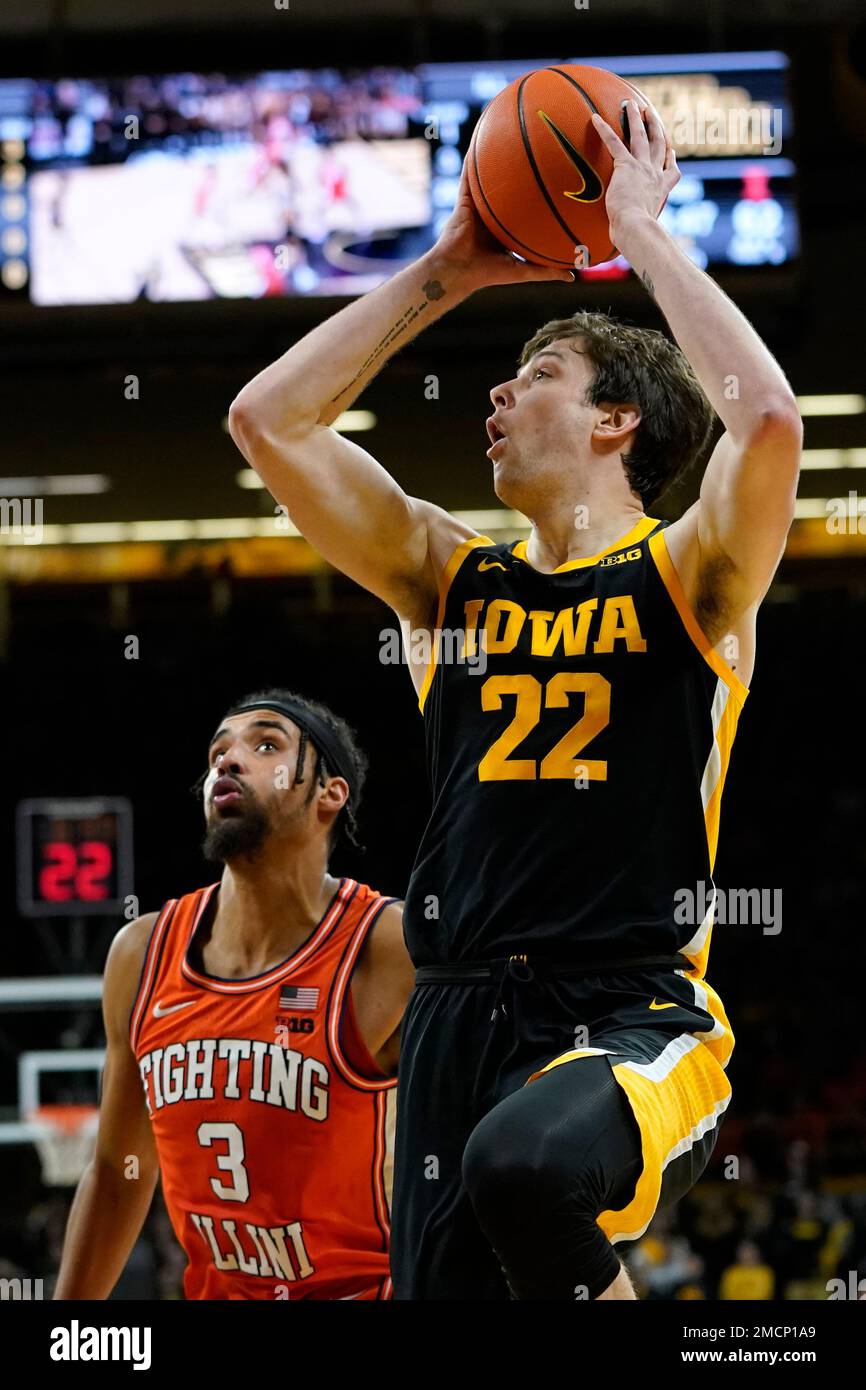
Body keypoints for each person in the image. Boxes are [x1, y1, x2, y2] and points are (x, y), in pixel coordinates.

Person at [228, 99, 802, 1300]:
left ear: (615, 418)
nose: (495, 396)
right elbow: (268, 420)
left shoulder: (690, 575)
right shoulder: (452, 582)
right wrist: (444, 268)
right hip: (450, 1019)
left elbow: (765, 421)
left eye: (536, 372)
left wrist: (638, 234)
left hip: (628, 1010)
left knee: (527, 1166)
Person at [55, 690, 413, 1300]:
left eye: (265, 745)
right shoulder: (141, 955)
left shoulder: (387, 946)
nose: (227, 761)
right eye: (218, 751)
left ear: (330, 793)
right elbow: (118, 1173)